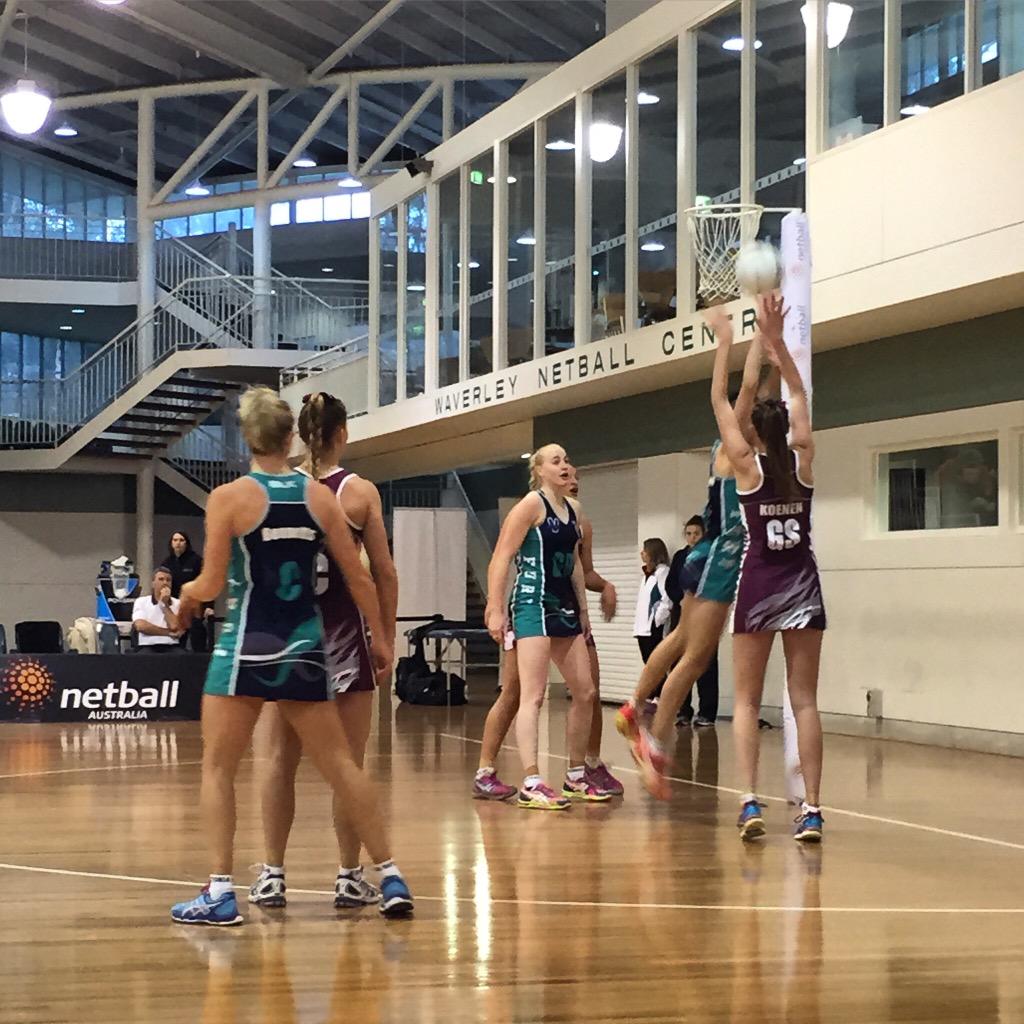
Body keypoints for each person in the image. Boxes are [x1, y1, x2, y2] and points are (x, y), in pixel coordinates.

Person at [169, 386, 413, 926]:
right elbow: (363, 577)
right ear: (289, 436)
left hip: (247, 647)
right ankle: (390, 873)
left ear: (247, 440)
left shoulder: (229, 497)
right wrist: (381, 637)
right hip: (307, 648)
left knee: (219, 768)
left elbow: (209, 584)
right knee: (344, 768)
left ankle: (221, 891)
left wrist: (184, 599)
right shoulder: (322, 498)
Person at [249, 392, 399, 911]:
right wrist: (387, 634)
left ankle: (271, 874)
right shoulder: (357, 493)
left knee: (274, 761)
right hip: (343, 636)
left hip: (286, 638)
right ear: (343, 433)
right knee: (348, 764)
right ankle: (348, 875)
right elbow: (382, 572)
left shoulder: (280, 490)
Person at [617, 320, 765, 799]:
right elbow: (734, 390)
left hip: (704, 554)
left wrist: (758, 342)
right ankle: (653, 744)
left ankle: (633, 705)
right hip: (720, 556)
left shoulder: (728, 447)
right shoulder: (736, 450)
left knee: (680, 637)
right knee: (696, 658)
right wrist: (748, 340)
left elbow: (740, 390)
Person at [705, 296, 826, 843]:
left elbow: (719, 401)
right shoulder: (802, 458)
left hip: (758, 588)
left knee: (747, 702)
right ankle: (814, 810)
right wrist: (778, 344)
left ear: (752, 432)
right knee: (804, 701)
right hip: (803, 588)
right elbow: (798, 392)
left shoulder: (745, 471)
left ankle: (750, 803)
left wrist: (727, 341)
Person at [473, 465, 622, 801]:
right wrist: (495, 607)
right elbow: (500, 558)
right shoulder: (529, 505)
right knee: (518, 693)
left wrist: (595, 599)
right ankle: (502, 773)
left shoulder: (577, 515)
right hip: (531, 604)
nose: (566, 467)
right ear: (539, 469)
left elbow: (582, 570)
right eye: (556, 461)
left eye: (567, 460)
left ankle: (581, 770)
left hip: (566, 607)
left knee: (586, 691)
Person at [666, 517, 719, 728]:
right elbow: (671, 584)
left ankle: (707, 712)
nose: (692, 538)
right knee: (679, 661)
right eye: (688, 533)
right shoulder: (680, 557)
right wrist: (680, 599)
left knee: (706, 663)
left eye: (696, 533)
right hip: (683, 613)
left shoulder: (711, 555)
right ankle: (683, 710)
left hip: (706, 613)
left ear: (703, 534)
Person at [165, 531, 215, 652]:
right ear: (171, 543)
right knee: (177, 642)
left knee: (197, 639)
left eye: (181, 540)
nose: (178, 543)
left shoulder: (196, 561)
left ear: (186, 543)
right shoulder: (167, 563)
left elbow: (207, 584)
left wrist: (209, 606)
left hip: (195, 607)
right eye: (175, 540)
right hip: (176, 607)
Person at [634, 538, 671, 667]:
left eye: (645, 550)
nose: (642, 553)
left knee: (656, 667)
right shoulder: (646, 575)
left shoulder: (662, 572)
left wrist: (657, 619)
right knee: (648, 665)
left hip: (653, 628)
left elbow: (667, 598)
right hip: (642, 628)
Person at [132, 567, 185, 652]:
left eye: (168, 580)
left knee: (182, 656)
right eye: (161, 579)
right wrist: (168, 633)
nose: (165, 583)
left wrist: (164, 604)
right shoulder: (141, 601)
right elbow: (141, 626)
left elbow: (175, 627)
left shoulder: (178, 603)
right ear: (153, 583)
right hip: (147, 646)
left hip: (171, 646)